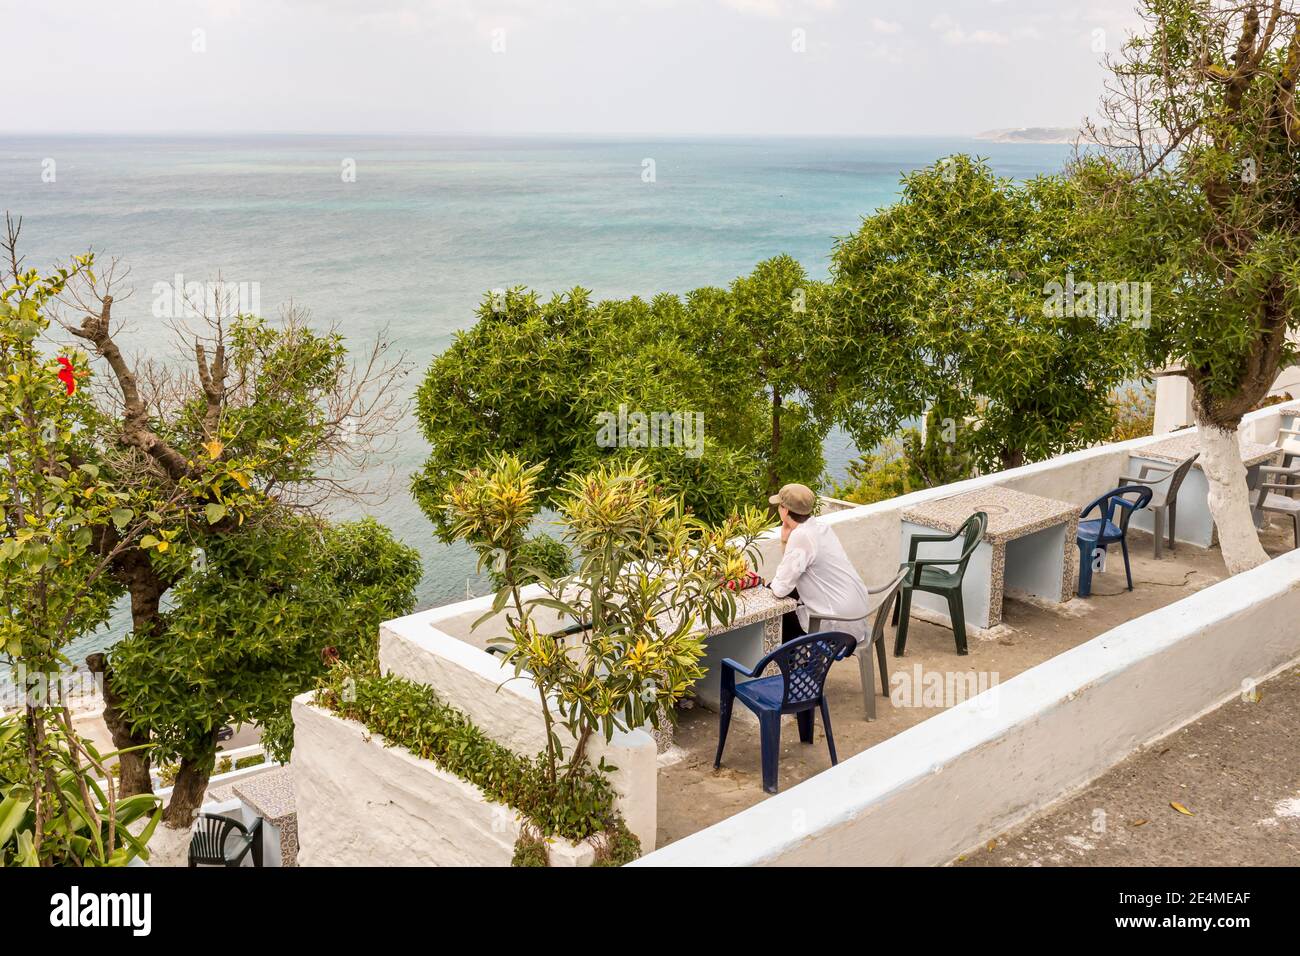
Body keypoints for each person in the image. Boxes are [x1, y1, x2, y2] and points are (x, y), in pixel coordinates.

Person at [766, 483, 871, 643]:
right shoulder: (821, 528)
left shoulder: (801, 536)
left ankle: (800, 664)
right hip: (857, 616)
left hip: (839, 628)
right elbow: (794, 574)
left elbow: (780, 589)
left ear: (785, 510)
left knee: (777, 613)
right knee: (790, 595)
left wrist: (784, 540)